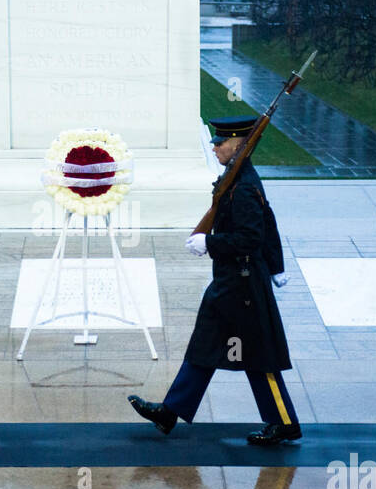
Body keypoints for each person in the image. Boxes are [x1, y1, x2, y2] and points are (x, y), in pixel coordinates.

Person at [128, 116, 301, 445]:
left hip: (245, 284)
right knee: (205, 344)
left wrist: (210, 243)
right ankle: (170, 411)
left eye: (220, 142)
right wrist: (276, 266)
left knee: (260, 355)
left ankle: (284, 422)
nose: (214, 146)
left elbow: (251, 236)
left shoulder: (245, 186)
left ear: (238, 145)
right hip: (229, 282)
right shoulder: (236, 179)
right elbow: (268, 221)